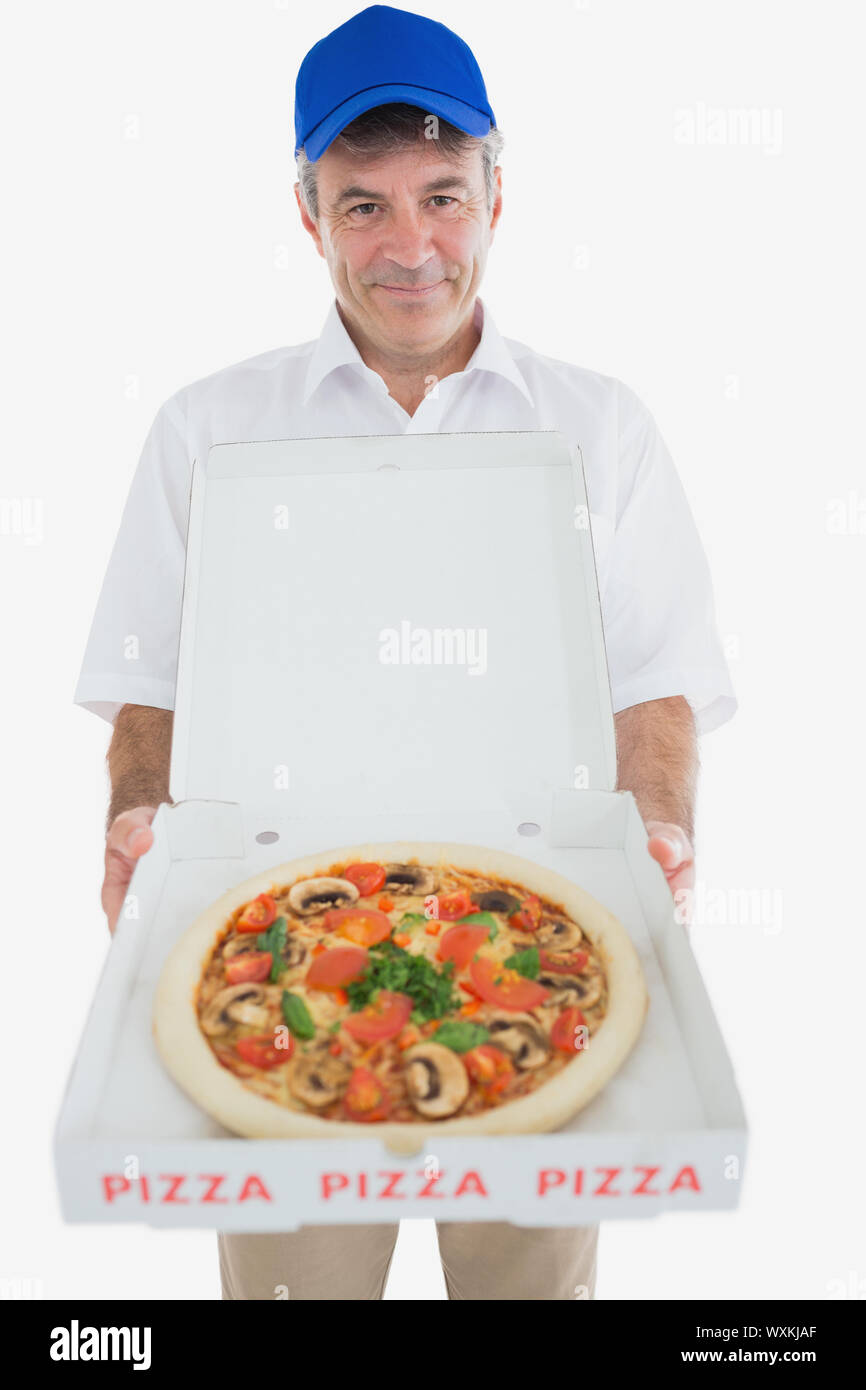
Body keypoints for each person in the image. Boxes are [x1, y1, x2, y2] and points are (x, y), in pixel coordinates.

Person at [74, 4, 737, 1300]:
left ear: (499, 194)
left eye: (442, 193)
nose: (411, 244)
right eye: (363, 203)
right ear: (307, 213)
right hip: (266, 937)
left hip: (540, 936)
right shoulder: (206, 423)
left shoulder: (600, 424)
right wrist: (133, 806)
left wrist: (655, 831)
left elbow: (656, 683)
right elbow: (147, 688)